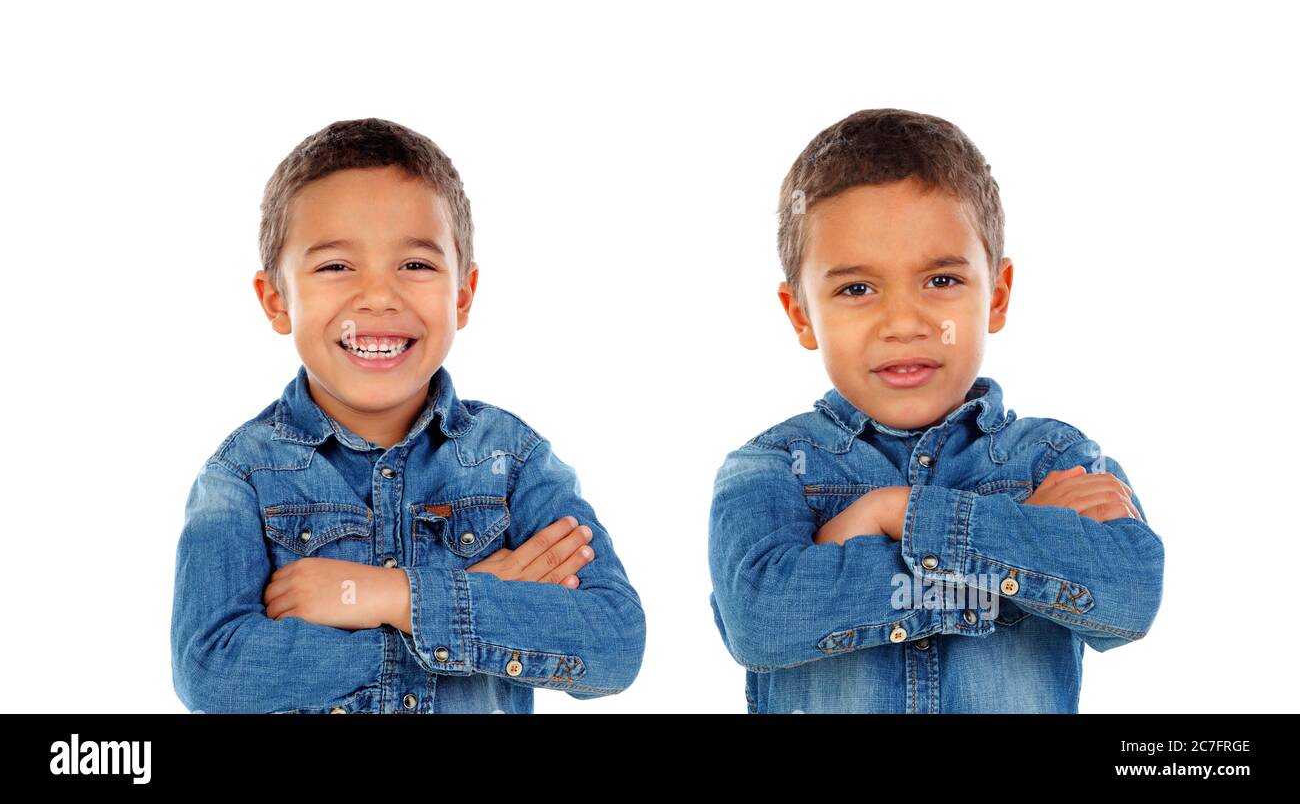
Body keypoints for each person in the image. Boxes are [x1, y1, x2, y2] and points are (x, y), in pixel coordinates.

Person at [171, 118, 645, 713]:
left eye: (416, 265)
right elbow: (214, 672)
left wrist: (390, 597)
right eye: (336, 266)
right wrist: (473, 603)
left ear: (462, 295)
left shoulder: (511, 460)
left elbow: (613, 642)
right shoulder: (241, 476)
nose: (379, 296)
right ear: (277, 300)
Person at [707, 108, 1164, 713]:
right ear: (802, 315)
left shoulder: (1053, 458)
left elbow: (1129, 594)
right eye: (857, 289)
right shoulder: (770, 469)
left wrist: (895, 512)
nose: (903, 323)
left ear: (996, 296)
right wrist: (1011, 538)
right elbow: (763, 619)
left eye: (941, 280)